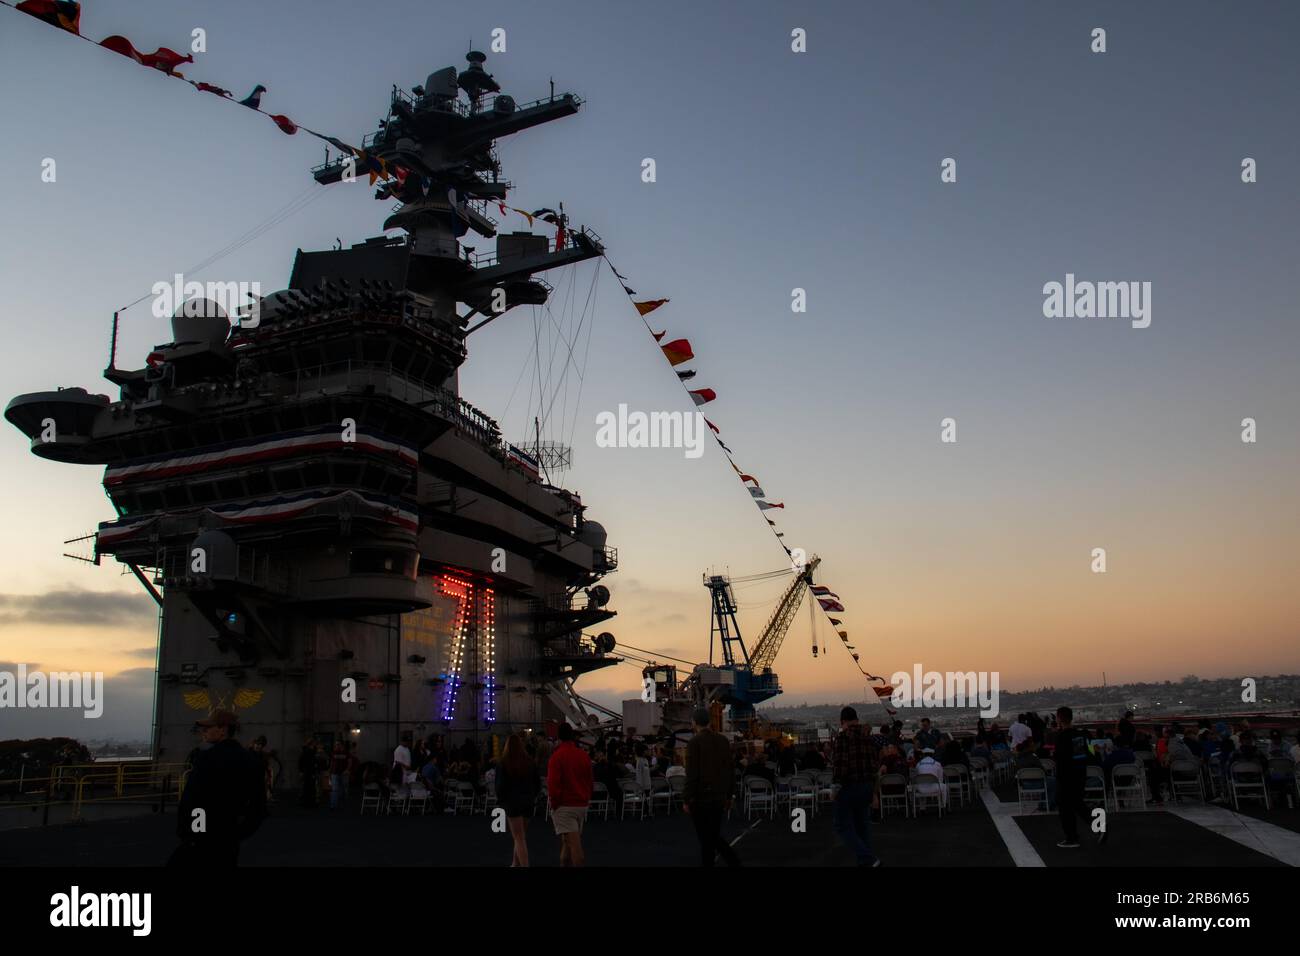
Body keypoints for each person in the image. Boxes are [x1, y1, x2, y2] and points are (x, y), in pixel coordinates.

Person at [170, 710, 266, 866]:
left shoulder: (208, 758)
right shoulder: (252, 761)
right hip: (229, 841)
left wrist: (194, 834)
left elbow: (195, 801)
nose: (204, 731)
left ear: (223, 730)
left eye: (209, 727)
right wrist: (237, 834)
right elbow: (258, 807)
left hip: (202, 841)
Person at [684, 708, 741, 866]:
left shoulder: (694, 743)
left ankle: (733, 862)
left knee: (706, 838)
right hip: (719, 797)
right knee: (712, 835)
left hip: (700, 799)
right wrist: (729, 796)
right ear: (709, 721)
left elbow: (692, 775)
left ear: (694, 723)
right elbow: (730, 770)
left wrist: (686, 799)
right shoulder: (723, 741)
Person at [832, 706, 880, 867]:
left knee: (842, 825)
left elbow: (840, 766)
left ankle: (867, 858)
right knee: (862, 825)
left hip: (849, 787)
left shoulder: (842, 738)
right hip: (867, 786)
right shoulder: (869, 738)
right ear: (857, 720)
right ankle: (865, 861)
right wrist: (874, 792)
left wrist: (836, 787)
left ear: (843, 722)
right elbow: (875, 766)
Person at [1054, 706, 1105, 848]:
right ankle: (1099, 827)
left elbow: (1059, 758)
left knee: (1066, 809)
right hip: (1079, 776)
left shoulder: (1062, 736)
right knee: (1078, 805)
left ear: (1059, 718)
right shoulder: (1078, 735)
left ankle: (1072, 837)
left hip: (1066, 778)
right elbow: (1082, 756)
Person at [546, 723, 593, 867]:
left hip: (565, 805)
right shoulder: (583, 755)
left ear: (558, 737)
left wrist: (554, 804)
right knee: (567, 843)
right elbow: (590, 780)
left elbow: (553, 784)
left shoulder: (557, 757)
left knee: (574, 846)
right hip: (581, 803)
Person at [496, 734, 540, 867]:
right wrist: (533, 796)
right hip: (528, 802)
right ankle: (515, 863)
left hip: (512, 803)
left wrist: (502, 800)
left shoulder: (503, 763)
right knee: (521, 836)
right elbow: (537, 783)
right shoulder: (530, 762)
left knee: (519, 838)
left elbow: (500, 786)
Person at [298, 737, 319, 807]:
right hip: (309, 771)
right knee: (310, 787)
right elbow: (310, 762)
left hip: (306, 771)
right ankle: (309, 802)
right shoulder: (310, 752)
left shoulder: (306, 751)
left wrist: (301, 771)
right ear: (312, 744)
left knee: (307, 787)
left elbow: (301, 762)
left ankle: (307, 802)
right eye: (314, 744)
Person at [328, 741, 349, 810]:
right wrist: (330, 773)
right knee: (334, 790)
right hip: (335, 773)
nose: (337, 746)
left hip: (343, 773)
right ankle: (333, 805)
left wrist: (347, 770)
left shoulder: (345, 753)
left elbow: (349, 762)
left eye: (339, 745)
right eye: (336, 745)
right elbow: (331, 763)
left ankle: (341, 804)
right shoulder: (333, 753)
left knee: (342, 789)